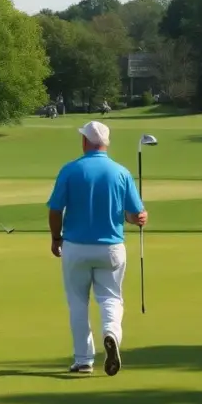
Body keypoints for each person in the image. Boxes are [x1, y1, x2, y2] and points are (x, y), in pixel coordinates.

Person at [46, 120, 147, 376]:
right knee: (111, 298)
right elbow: (135, 215)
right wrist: (140, 218)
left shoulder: (70, 170)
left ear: (84, 142)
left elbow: (55, 209)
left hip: (76, 247)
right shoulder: (120, 172)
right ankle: (111, 332)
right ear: (105, 143)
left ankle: (83, 360)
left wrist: (56, 238)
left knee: (78, 303)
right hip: (111, 247)